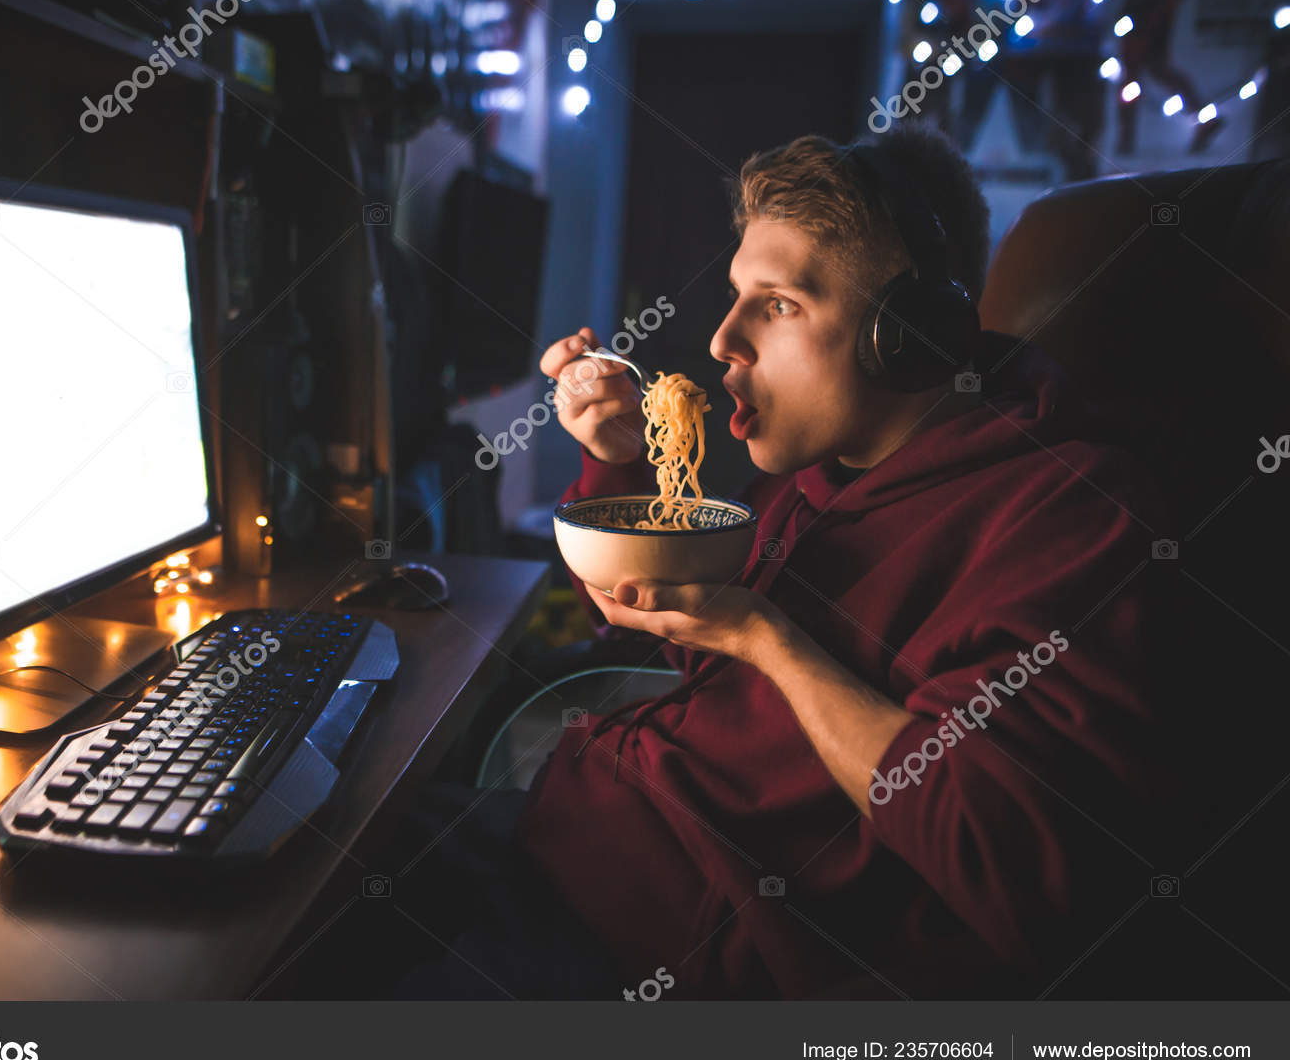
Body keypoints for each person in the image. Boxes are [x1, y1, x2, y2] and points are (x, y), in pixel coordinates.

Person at [288, 126, 1177, 1000]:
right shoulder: (829, 470)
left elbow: (1019, 868)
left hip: (660, 941)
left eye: (779, 304)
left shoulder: (1068, 513)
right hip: (577, 834)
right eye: (735, 294)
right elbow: (687, 632)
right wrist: (622, 460)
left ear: (910, 333)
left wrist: (767, 637)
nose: (722, 341)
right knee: (289, 865)